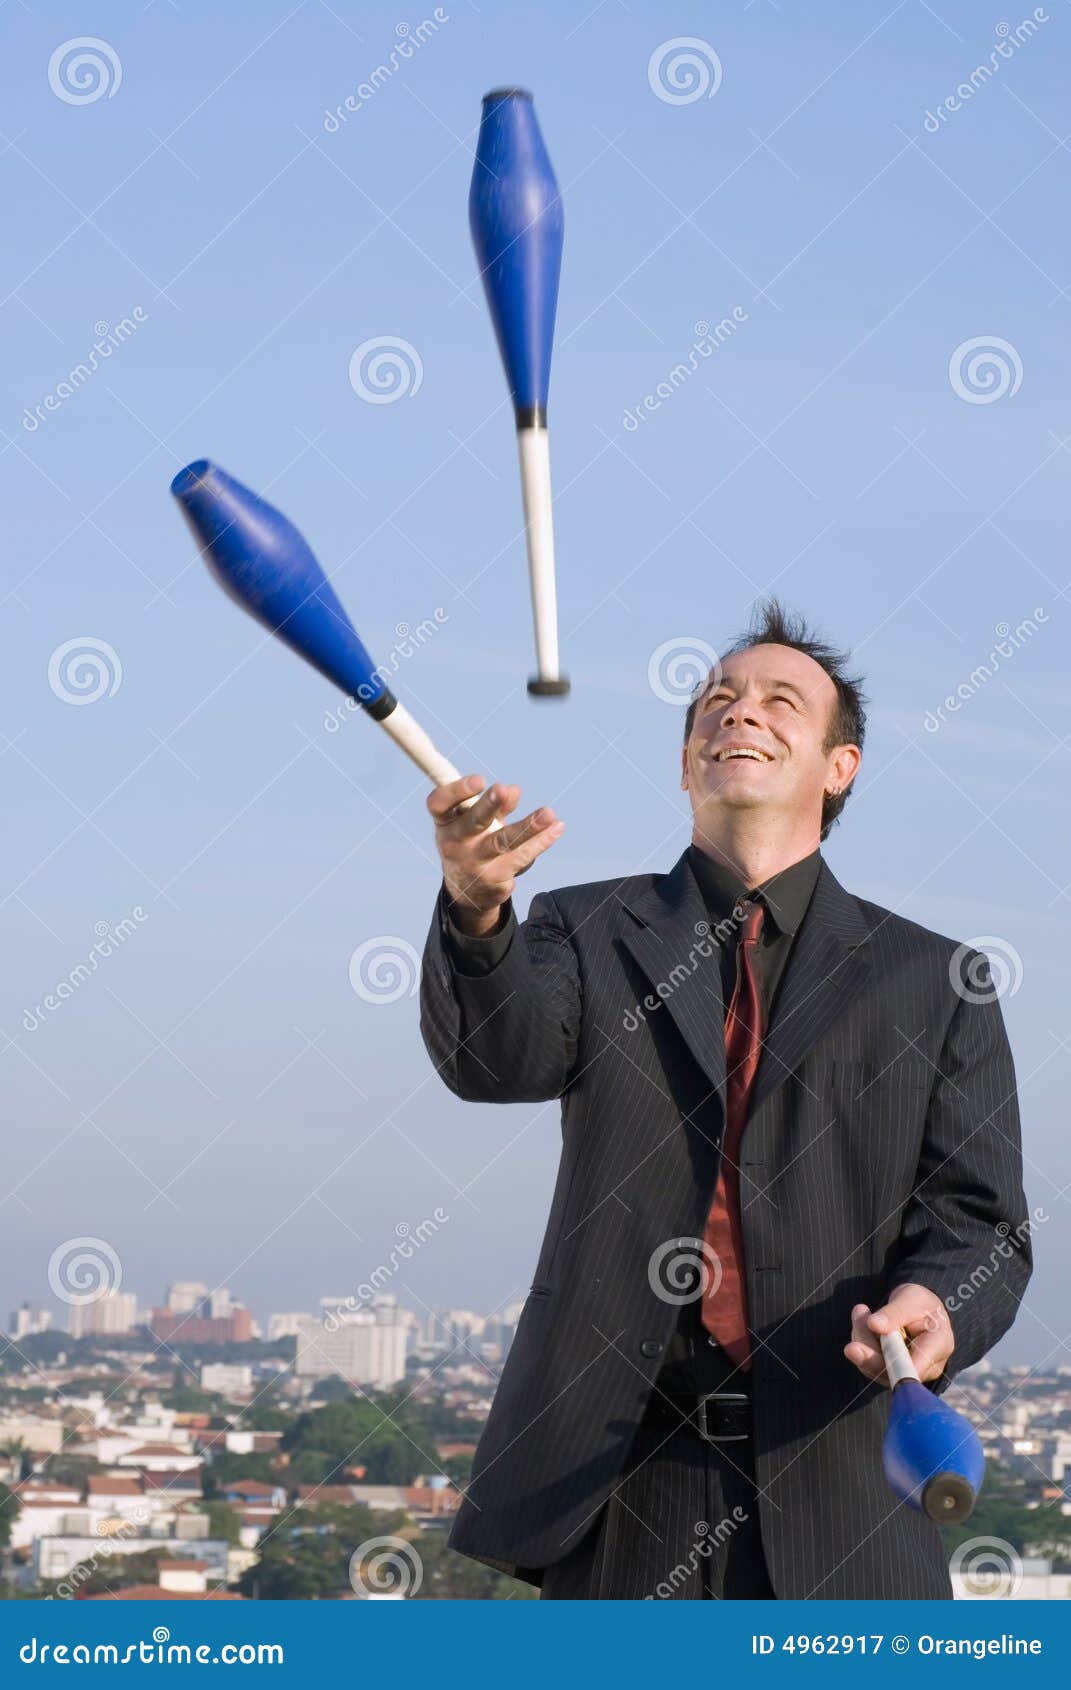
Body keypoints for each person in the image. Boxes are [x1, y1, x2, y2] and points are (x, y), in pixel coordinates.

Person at [418, 599, 1031, 1599]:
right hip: (620, 1490)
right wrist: (477, 910)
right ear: (685, 762)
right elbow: (495, 1062)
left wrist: (935, 1306)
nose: (739, 712)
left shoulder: (934, 979)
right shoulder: (583, 928)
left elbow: (980, 1224)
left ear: (839, 767)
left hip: (844, 1490)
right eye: (717, 700)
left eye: (781, 701)